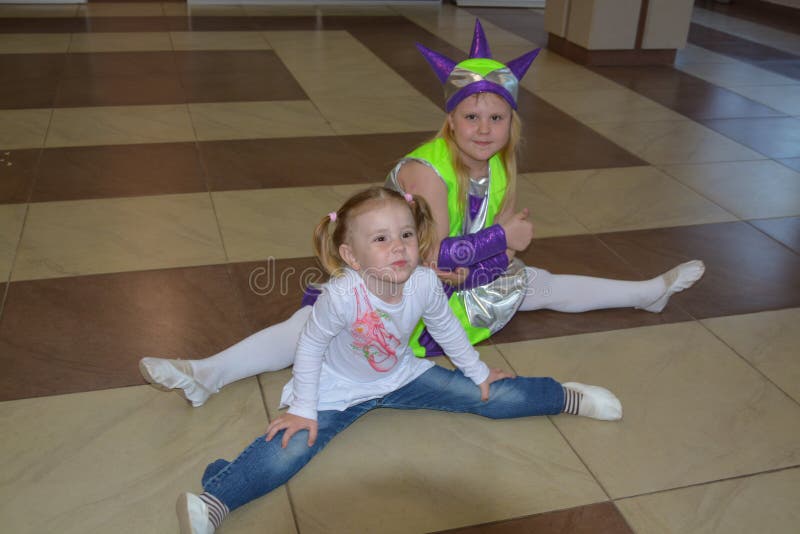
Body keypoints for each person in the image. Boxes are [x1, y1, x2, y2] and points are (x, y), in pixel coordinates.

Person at [139, 19, 704, 406]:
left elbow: (492, 246)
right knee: (309, 328)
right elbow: (429, 260)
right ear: (450, 119)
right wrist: (500, 240)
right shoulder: (428, 171)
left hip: (454, 280)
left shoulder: (500, 164)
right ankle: (207, 373)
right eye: (471, 118)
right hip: (394, 275)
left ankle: (646, 292)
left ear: (511, 123)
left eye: (496, 119)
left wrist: (500, 246)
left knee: (541, 285)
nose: (484, 130)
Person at [176, 186, 622, 534]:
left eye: (406, 235)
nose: (398, 247)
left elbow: (446, 329)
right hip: (337, 387)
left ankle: (564, 396)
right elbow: (308, 348)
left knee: (490, 397)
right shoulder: (341, 296)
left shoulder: (424, 282)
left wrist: (478, 372)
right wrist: (304, 408)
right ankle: (214, 504)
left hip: (403, 374)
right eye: (381, 239)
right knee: (291, 446)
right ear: (351, 256)